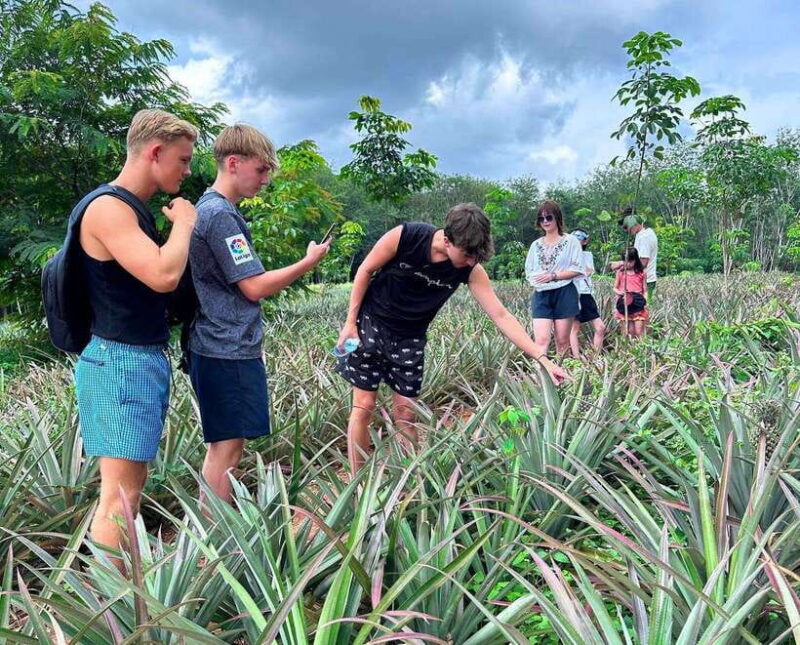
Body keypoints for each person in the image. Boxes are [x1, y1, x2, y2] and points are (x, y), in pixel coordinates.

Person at [335, 203, 569, 473]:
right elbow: (365, 270)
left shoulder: (470, 269)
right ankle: (357, 482)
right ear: (446, 239)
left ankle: (408, 482)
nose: (471, 261)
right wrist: (349, 323)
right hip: (372, 324)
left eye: (476, 257)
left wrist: (544, 359)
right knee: (363, 406)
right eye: (467, 254)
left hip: (411, 338)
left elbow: (501, 315)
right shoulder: (406, 237)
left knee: (407, 414)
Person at [74, 109, 199, 570]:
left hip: (132, 360)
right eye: (182, 160)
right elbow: (164, 274)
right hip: (119, 363)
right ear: (155, 152)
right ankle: (111, 614)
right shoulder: (108, 208)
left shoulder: (129, 209)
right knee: (119, 498)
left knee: (129, 489)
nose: (186, 171)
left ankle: (121, 597)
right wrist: (184, 222)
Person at [188, 123, 330, 505]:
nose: (265, 179)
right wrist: (308, 261)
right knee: (227, 449)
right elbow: (254, 286)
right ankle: (216, 538)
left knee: (226, 445)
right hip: (225, 346)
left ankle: (213, 533)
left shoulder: (213, 210)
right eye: (262, 169)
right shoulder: (220, 216)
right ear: (233, 163)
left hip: (221, 344)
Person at [525, 200, 585, 357]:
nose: (545, 221)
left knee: (562, 341)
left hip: (565, 292)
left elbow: (578, 268)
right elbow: (529, 270)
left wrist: (553, 276)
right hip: (541, 294)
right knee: (541, 341)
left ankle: (563, 377)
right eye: (541, 218)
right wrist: (538, 279)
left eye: (549, 217)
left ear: (557, 218)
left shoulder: (570, 241)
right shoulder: (535, 245)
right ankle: (540, 377)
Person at [569, 229, 605, 357]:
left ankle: (594, 358)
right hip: (573, 293)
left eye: (579, 239)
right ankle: (577, 359)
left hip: (586, 293)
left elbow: (589, 271)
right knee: (574, 329)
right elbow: (576, 272)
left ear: (585, 241)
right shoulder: (567, 256)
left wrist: (577, 271)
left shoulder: (587, 255)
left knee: (600, 327)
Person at [614, 209, 658, 301]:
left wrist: (621, 265)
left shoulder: (644, 238)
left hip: (645, 281)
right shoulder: (644, 234)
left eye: (626, 227)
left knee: (643, 309)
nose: (626, 230)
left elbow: (643, 263)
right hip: (643, 280)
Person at [613, 247, 648, 338]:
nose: (627, 264)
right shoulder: (620, 272)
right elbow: (615, 288)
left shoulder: (641, 273)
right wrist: (620, 293)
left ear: (635, 260)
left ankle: (640, 349)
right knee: (628, 332)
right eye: (625, 261)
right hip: (625, 303)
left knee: (639, 331)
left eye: (629, 261)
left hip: (638, 303)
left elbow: (645, 290)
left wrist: (645, 301)